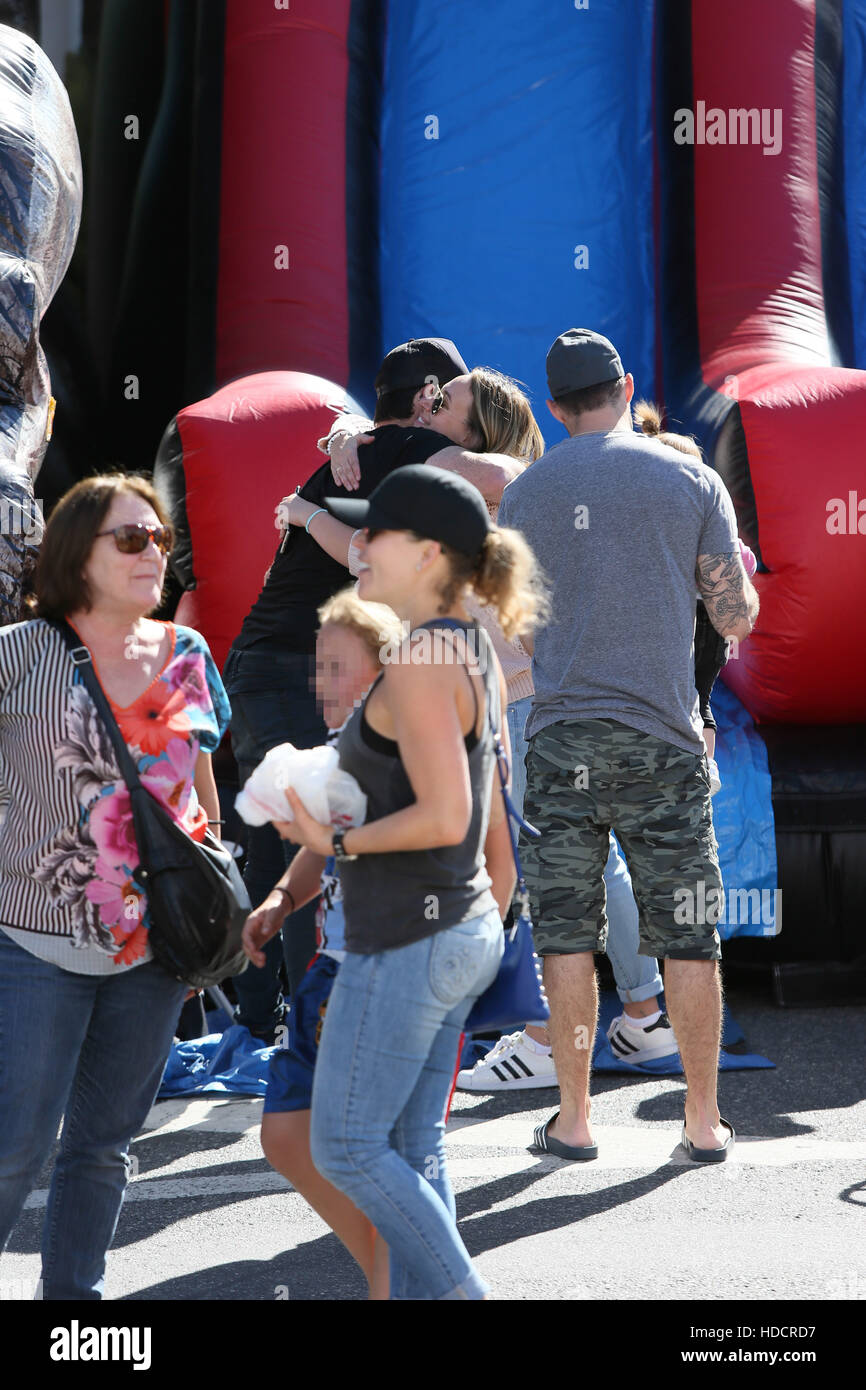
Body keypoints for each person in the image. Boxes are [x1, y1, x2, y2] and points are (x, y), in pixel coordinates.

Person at [314, 371, 683, 1087]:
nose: (427, 409)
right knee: (577, 860)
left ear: (480, 424)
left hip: (522, 698)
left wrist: (312, 503)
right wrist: (344, 439)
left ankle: (560, 1032)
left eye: (443, 403)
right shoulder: (491, 492)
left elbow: (365, 553)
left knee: (551, 862)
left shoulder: (503, 483)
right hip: (517, 695)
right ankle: (636, 1015)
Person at [273, 464, 545, 1299]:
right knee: (413, 1147)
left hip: (410, 941)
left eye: (373, 534)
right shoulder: (467, 644)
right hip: (450, 933)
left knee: (347, 1148)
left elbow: (445, 816)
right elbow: (489, 822)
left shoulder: (427, 653)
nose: (358, 547)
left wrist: (335, 840)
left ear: (428, 552)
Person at [498, 328, 759, 1163]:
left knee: (566, 935)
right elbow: (735, 614)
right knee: (688, 931)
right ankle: (702, 1121)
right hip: (664, 742)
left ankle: (574, 1121)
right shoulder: (689, 475)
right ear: (627, 386)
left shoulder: (527, 495)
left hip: (559, 739)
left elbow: (512, 625)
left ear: (553, 407)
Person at [223, 337, 522, 1042]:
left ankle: (260, 1023)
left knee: (278, 835)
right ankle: (313, 1030)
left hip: (262, 659)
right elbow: (510, 474)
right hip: (300, 661)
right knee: (318, 826)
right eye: (446, 397)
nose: (447, 411)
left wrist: (332, 461)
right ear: (423, 401)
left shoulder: (358, 454)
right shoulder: (412, 449)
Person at [0, 474, 230, 1298]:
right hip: (33, 940)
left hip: (156, 949)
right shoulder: (18, 652)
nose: (152, 553)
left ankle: (72, 1307)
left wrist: (215, 874)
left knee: (103, 1146)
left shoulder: (188, 654)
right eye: (129, 539)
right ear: (77, 555)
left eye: (159, 538)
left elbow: (199, 789)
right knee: (15, 1147)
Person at [242, 589, 404, 1299]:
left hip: (380, 977)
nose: (320, 683)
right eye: (318, 665)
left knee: (376, 1156)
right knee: (284, 1137)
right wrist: (281, 898)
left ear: (383, 671)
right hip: (328, 970)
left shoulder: (405, 750)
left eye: (337, 666)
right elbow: (324, 851)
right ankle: (388, 1273)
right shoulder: (341, 749)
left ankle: (394, 1283)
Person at [633, 401, 758, 796]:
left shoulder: (653, 526)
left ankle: (685, 762)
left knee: (680, 695)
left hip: (681, 623)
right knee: (701, 698)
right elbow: (745, 562)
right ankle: (705, 764)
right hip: (713, 630)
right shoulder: (709, 517)